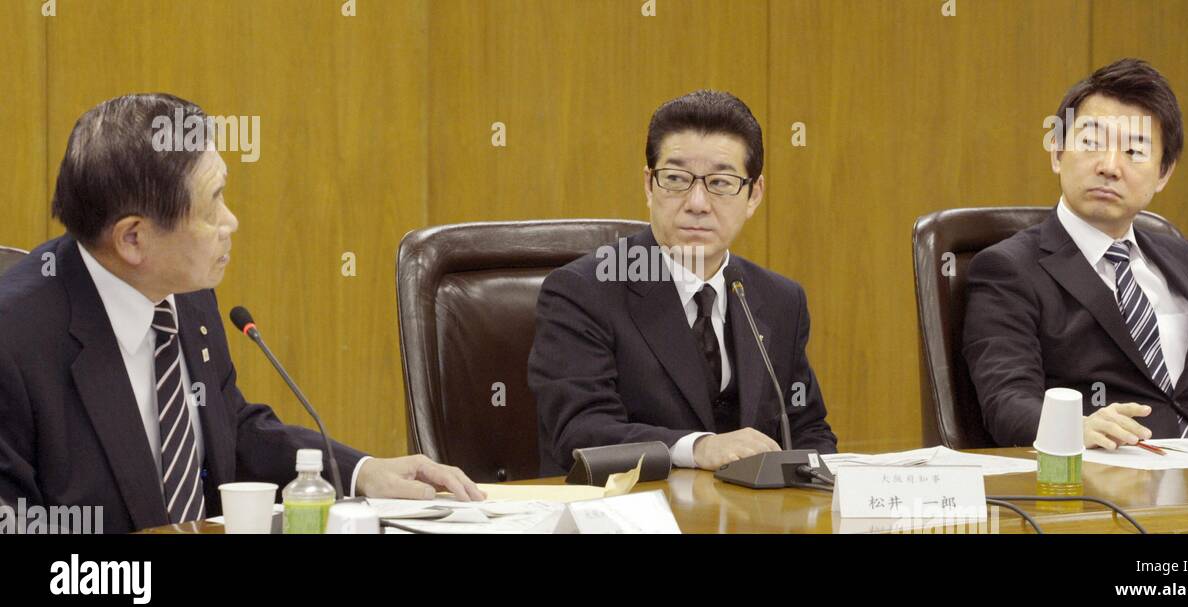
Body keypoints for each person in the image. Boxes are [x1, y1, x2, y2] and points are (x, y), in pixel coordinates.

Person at [0, 94, 483, 533]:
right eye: (212, 206)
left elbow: (228, 429)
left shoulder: (183, 292)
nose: (232, 222)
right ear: (133, 239)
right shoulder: (15, 342)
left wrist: (360, 472)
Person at [963, 59, 1188, 449]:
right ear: (1057, 152)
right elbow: (1006, 403)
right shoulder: (1007, 269)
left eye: (1134, 151)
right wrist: (1075, 428)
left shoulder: (1184, 258)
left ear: (1163, 174)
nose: (1110, 167)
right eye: (1091, 143)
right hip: (1105, 483)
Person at [529, 90, 837, 474]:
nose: (697, 203)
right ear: (649, 185)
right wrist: (697, 447)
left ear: (753, 195)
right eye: (675, 179)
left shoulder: (780, 299)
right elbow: (580, 431)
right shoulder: (583, 291)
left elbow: (807, 429)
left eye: (721, 183)